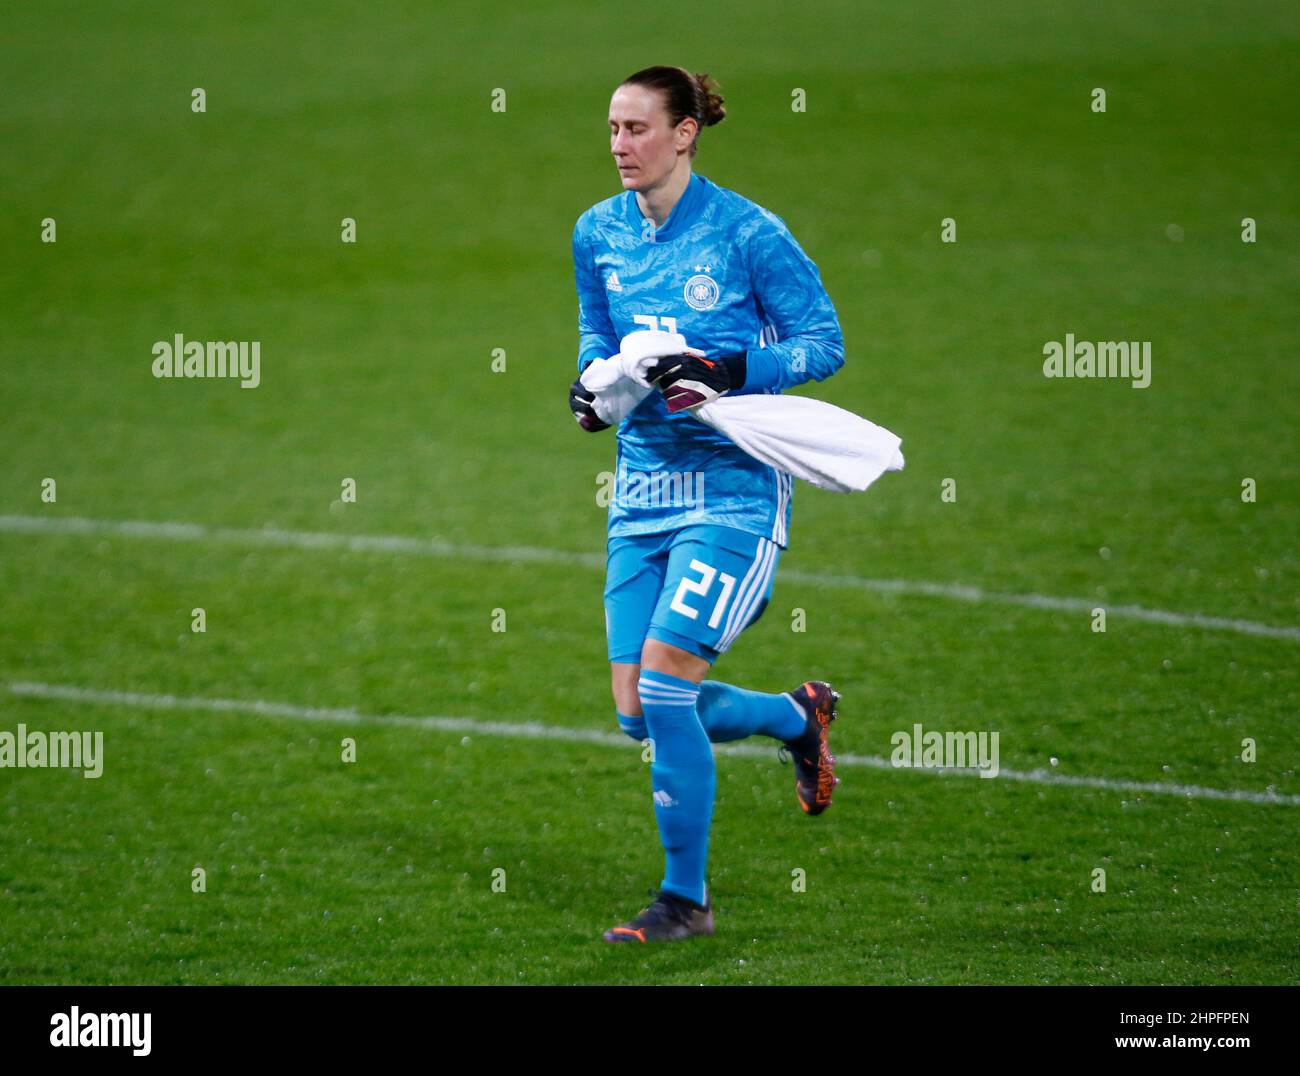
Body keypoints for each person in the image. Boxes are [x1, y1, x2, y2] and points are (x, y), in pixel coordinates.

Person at [568, 65, 846, 943]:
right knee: (635, 713)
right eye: (612, 128)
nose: (620, 145)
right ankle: (797, 716)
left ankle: (684, 900)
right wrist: (587, 390)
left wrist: (730, 371)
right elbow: (596, 336)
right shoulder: (596, 232)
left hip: (732, 492)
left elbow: (822, 342)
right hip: (642, 488)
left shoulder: (747, 233)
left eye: (638, 128)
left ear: (685, 133)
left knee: (663, 685)